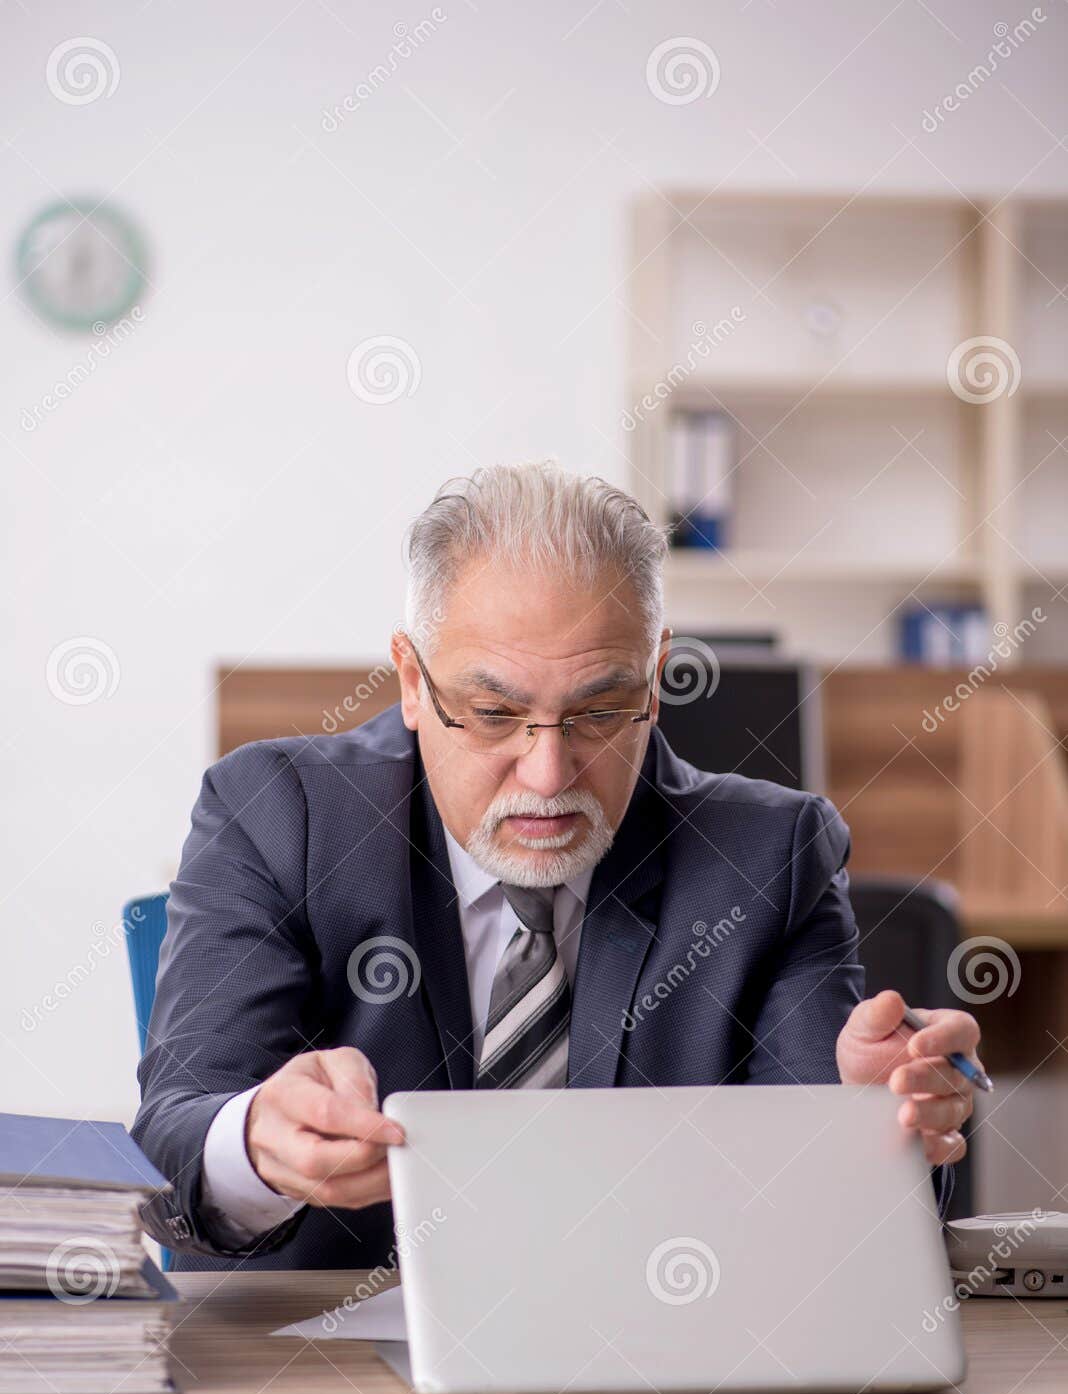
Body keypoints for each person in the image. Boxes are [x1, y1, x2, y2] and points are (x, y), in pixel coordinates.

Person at [133, 461, 980, 1269]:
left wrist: (871, 1124)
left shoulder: (769, 857)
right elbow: (174, 1142)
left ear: (655, 679)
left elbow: (830, 1226)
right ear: (411, 682)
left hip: (655, 1356)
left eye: (601, 710)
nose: (547, 775)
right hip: (333, 1379)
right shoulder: (280, 817)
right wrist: (254, 1144)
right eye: (495, 713)